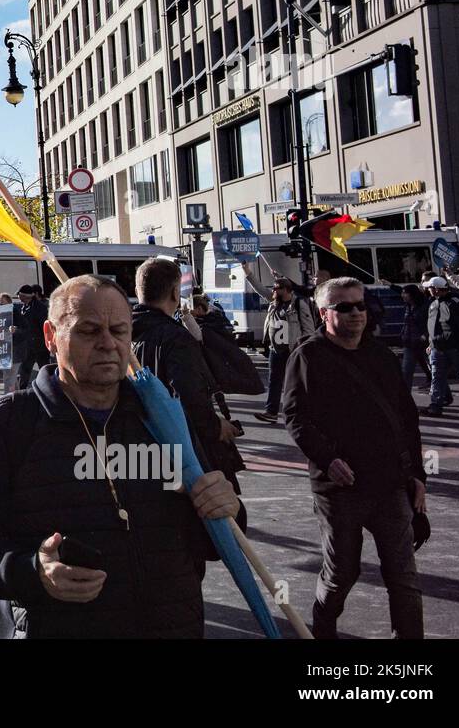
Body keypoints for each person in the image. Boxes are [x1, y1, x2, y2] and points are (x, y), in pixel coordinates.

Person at [0, 274, 243, 638]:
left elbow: (215, 536)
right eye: (88, 330)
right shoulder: (5, 424)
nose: (108, 344)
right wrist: (34, 571)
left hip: (171, 625)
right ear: (51, 337)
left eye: (119, 330)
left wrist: (228, 511)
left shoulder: (163, 417)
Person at [282, 276, 426, 639]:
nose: (357, 313)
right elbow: (296, 417)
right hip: (339, 489)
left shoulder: (381, 355)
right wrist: (328, 459)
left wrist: (419, 476)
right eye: (345, 307)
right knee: (342, 574)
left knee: (404, 579)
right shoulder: (308, 355)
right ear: (324, 312)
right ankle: (324, 627)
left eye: (361, 305)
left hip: (390, 484)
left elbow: (407, 418)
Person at [131, 258, 242, 489]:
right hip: (187, 446)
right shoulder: (175, 337)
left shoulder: (126, 336)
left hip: (143, 444)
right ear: (174, 292)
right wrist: (215, 426)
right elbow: (189, 393)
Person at [254, 278, 318, 424]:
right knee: (274, 381)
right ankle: (271, 412)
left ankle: (305, 412)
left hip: (292, 349)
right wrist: (247, 272)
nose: (274, 291)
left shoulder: (298, 303)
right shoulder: (274, 303)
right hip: (276, 349)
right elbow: (260, 289)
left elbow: (308, 327)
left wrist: (304, 347)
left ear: (287, 289)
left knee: (296, 382)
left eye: (277, 288)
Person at [424, 275, 459, 416]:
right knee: (437, 375)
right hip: (438, 347)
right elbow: (433, 326)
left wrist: (456, 345)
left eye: (430, 288)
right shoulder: (434, 303)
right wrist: (432, 343)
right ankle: (436, 405)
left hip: (454, 347)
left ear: (437, 289)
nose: (428, 290)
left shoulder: (453, 304)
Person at [12, 284, 50, 389]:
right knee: (24, 370)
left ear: (25, 296)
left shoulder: (39, 308)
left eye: (19, 295)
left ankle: (49, 389)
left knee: (44, 369)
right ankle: (21, 392)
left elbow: (42, 325)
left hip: (40, 346)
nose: (18, 297)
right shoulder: (24, 307)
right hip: (28, 346)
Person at [397, 284, 431, 392]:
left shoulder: (425, 305)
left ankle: (445, 394)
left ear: (412, 294)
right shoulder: (408, 305)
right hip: (409, 343)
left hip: (423, 343)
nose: (402, 295)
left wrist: (425, 335)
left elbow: (432, 322)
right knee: (406, 371)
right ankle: (406, 399)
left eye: (405, 293)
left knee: (435, 371)